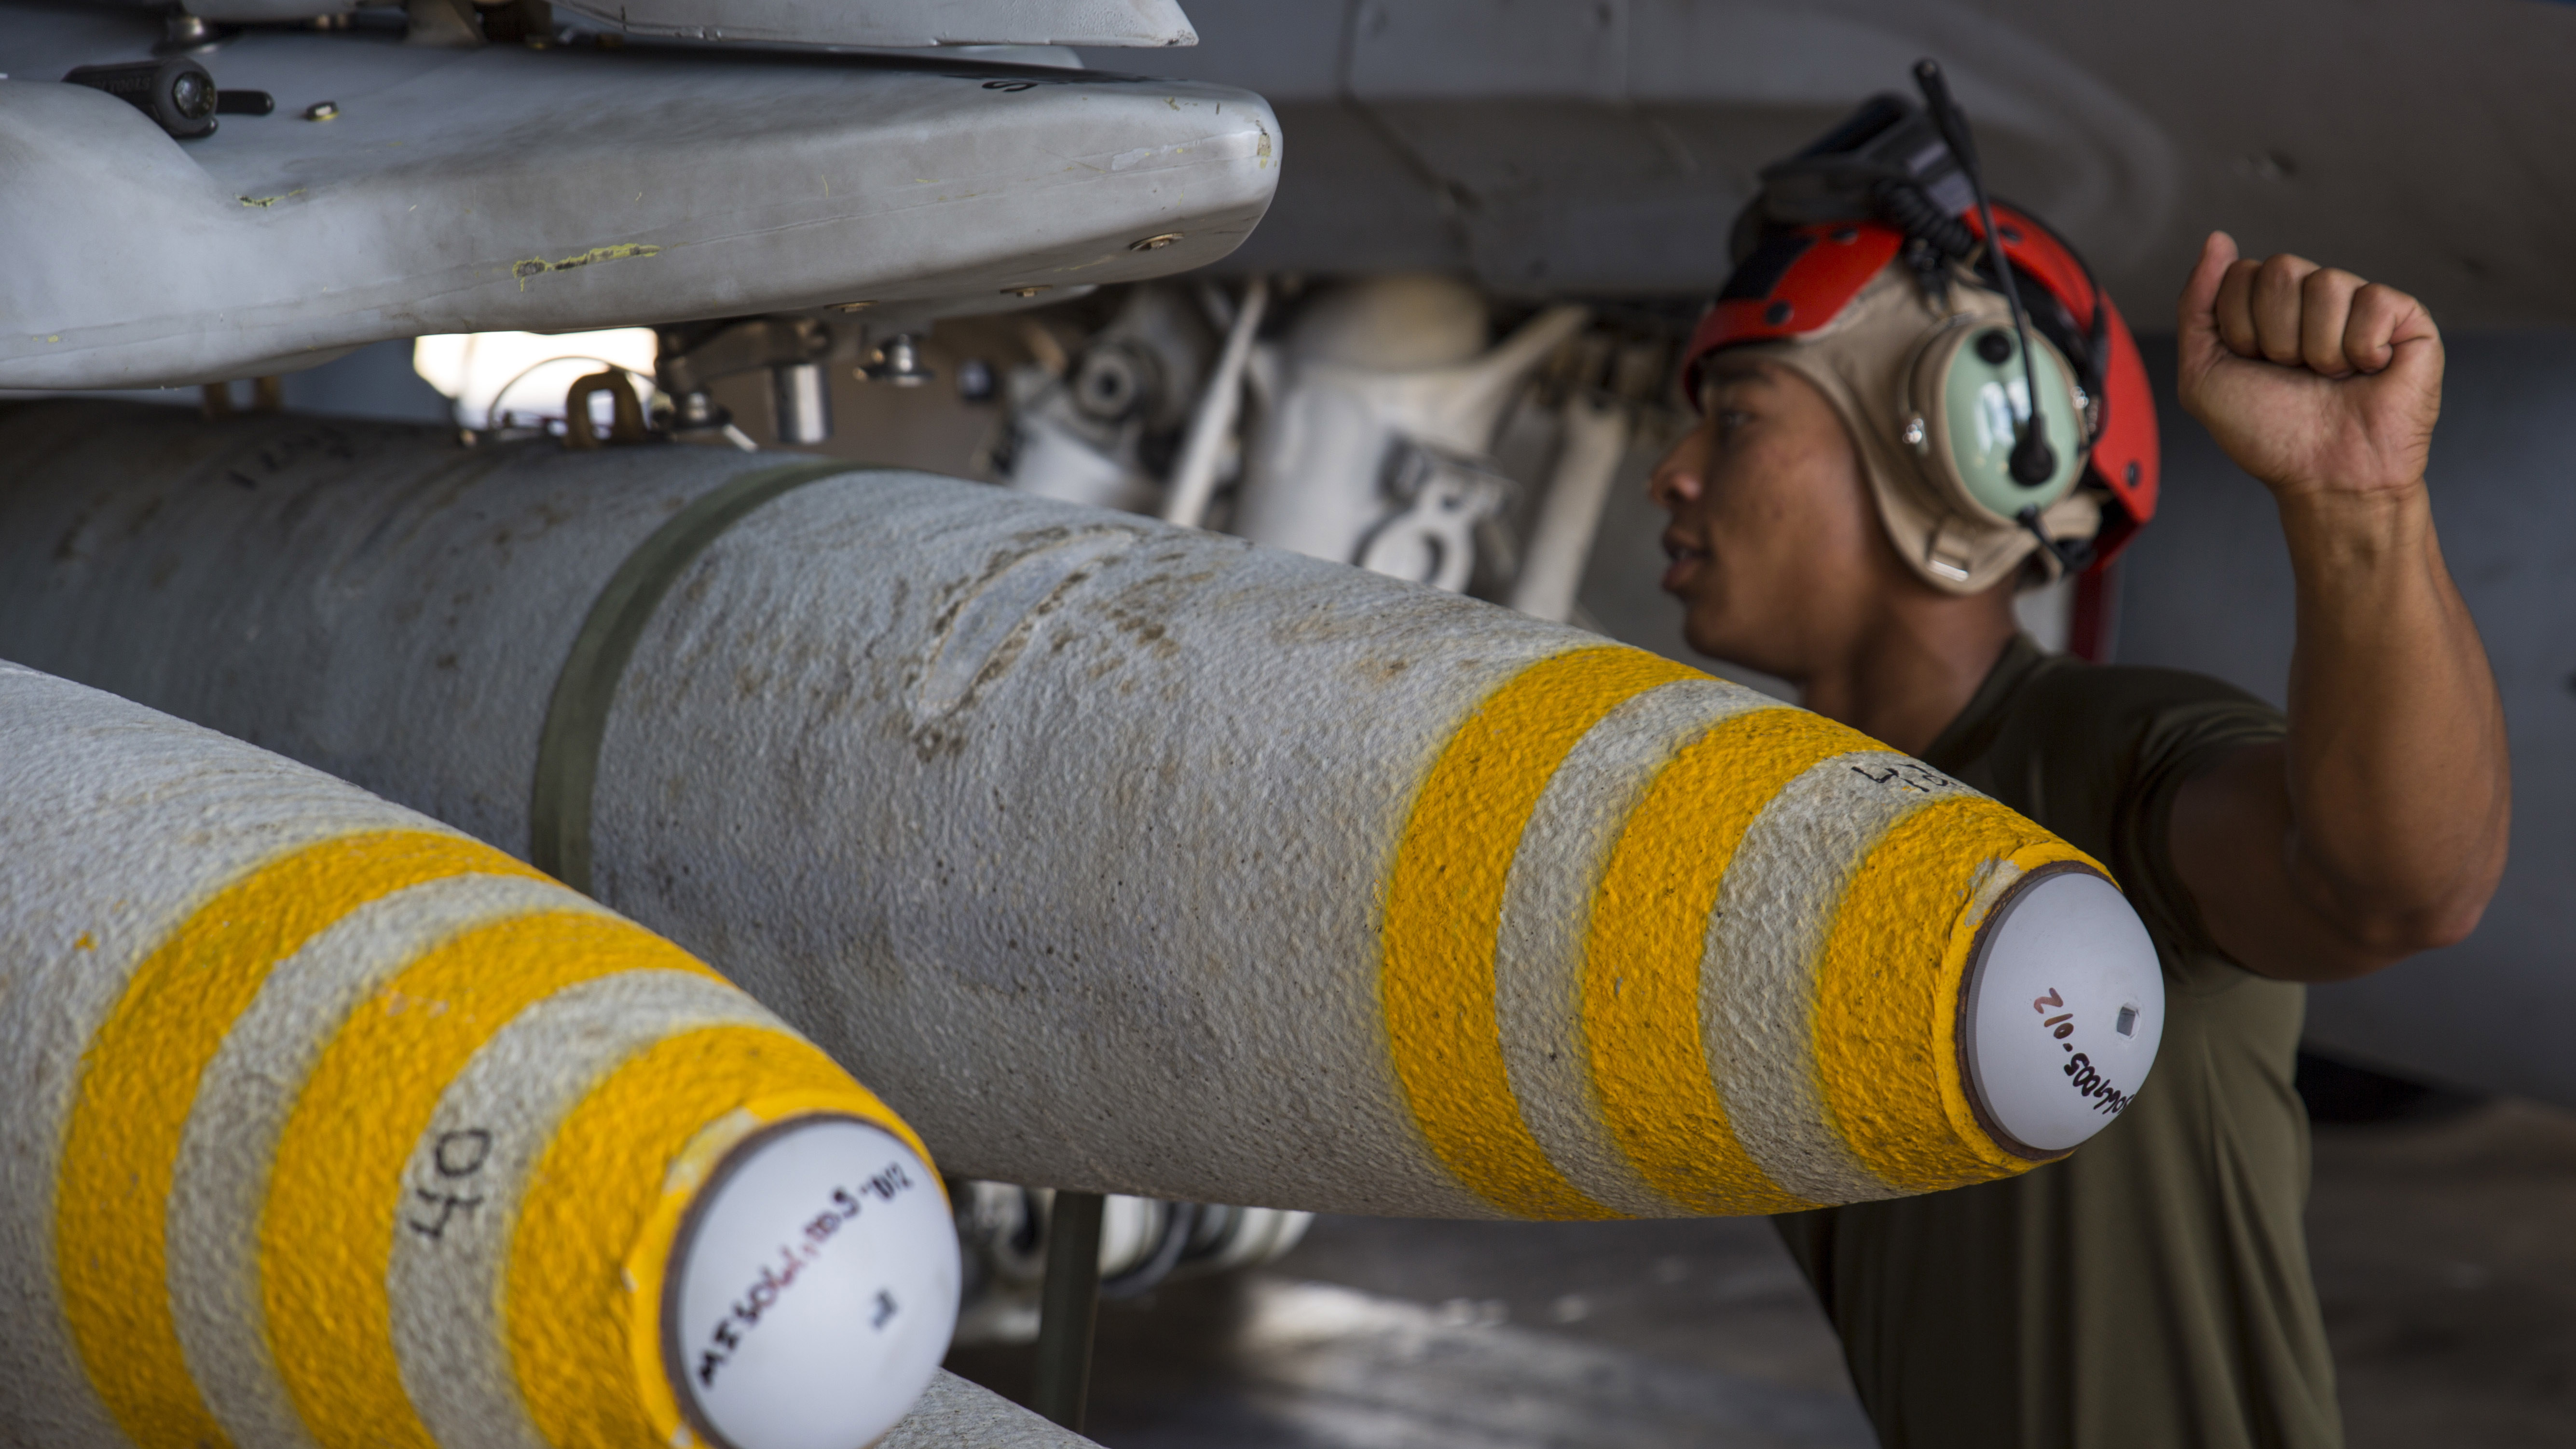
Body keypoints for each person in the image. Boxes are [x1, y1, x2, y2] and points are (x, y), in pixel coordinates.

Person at [1647, 93, 2512, 1449]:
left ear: (1974, 440)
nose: (1673, 472)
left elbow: (2395, 891)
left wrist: (2357, 510)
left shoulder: (2106, 768)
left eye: (1738, 417)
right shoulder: (1782, 849)